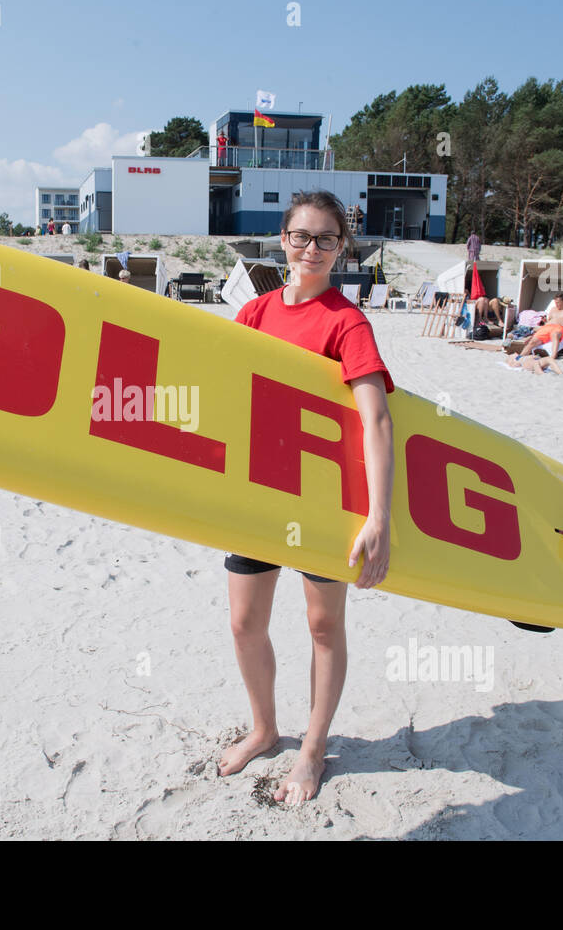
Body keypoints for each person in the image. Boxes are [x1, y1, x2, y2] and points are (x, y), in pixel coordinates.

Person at [219, 190, 395, 806]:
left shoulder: (347, 322)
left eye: (325, 239)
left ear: (341, 246)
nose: (311, 249)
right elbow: (230, 399)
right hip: (259, 493)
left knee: (323, 626)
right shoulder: (256, 314)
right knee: (245, 622)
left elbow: (375, 421)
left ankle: (313, 749)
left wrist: (379, 517)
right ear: (283, 241)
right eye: (301, 237)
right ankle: (265, 730)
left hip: (324, 498)